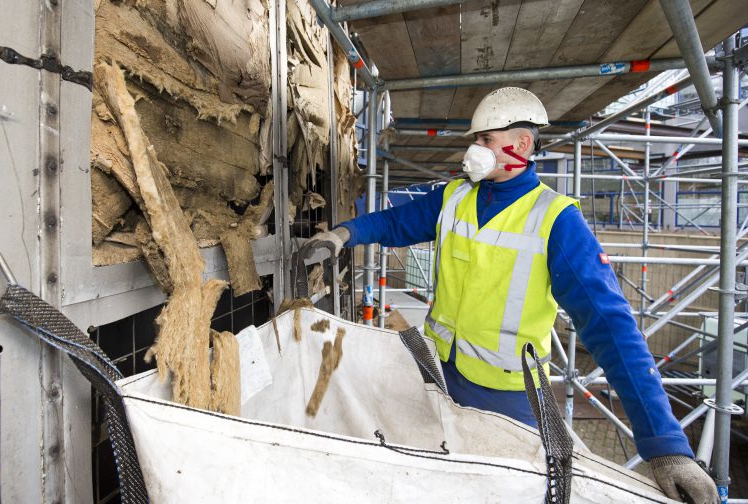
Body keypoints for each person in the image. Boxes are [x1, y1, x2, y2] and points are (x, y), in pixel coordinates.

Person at [302, 87, 719, 503]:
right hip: (436, 376)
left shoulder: (557, 220)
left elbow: (610, 327)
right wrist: (346, 233)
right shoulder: (455, 196)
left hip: (508, 398)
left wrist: (665, 445)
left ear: (520, 144)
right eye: (476, 139)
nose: (474, 148)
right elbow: (397, 222)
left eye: (485, 140)